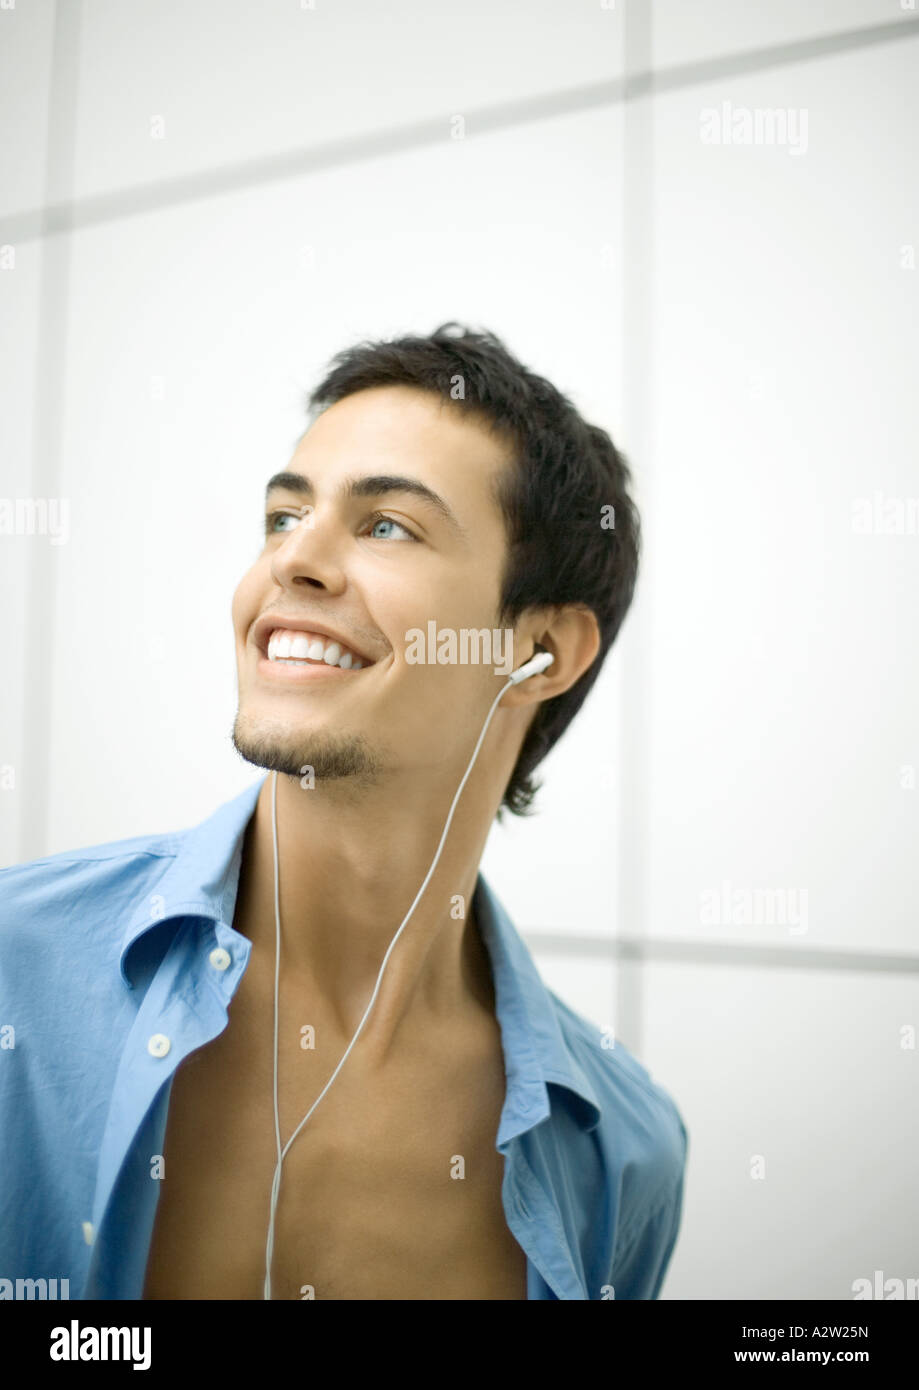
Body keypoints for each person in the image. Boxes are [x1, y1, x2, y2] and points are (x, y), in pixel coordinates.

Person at [0, 323, 687, 1301]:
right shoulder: (14, 976)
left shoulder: (621, 1154)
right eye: (284, 517)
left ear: (541, 649)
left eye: (387, 526)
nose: (294, 562)